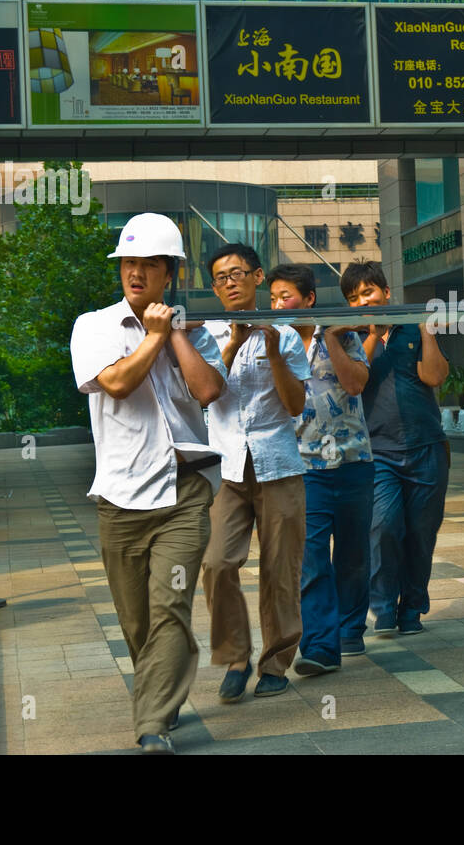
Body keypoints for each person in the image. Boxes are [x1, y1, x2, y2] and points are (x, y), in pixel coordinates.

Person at [69, 213, 226, 755]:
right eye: (128, 263)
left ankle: (151, 724)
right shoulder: (93, 326)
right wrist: (153, 338)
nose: (135, 272)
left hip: (184, 494)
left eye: (149, 264)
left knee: (170, 607)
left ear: (170, 273)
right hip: (120, 497)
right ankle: (162, 690)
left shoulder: (190, 332)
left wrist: (175, 335)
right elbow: (115, 382)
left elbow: (208, 392)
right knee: (138, 620)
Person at [202, 244, 310, 701]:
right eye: (221, 277)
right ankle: (235, 657)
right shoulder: (206, 334)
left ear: (258, 276)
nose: (230, 282)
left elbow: (295, 405)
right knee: (217, 563)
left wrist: (272, 349)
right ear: (214, 286)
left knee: (280, 569)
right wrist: (232, 344)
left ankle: (276, 663)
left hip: (279, 464)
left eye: (238, 273)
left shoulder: (284, 334)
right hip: (227, 466)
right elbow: (203, 395)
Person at [268, 263, 375, 670]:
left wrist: (331, 338)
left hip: (354, 462)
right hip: (305, 468)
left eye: (286, 297)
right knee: (311, 560)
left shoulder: (342, 336)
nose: (278, 304)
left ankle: (350, 629)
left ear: (309, 299)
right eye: (273, 297)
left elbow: (355, 384)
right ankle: (319, 648)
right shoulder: (273, 344)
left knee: (352, 555)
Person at [343, 260, 450, 637]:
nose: (363, 301)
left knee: (423, 534)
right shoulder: (349, 341)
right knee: (384, 527)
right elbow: (353, 381)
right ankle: (383, 605)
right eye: (354, 298)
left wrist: (427, 333)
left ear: (386, 293)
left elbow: (434, 376)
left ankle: (412, 610)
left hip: (427, 446)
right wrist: (371, 335)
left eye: (368, 292)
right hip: (378, 451)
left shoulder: (411, 328)